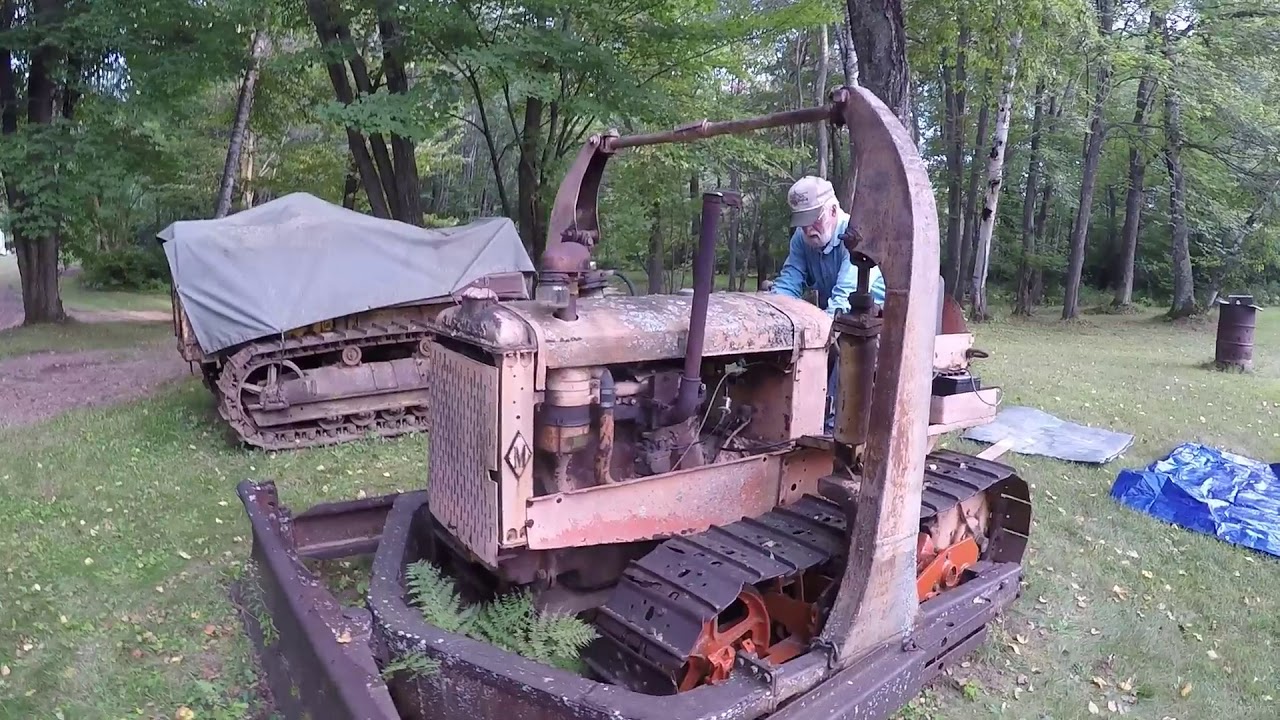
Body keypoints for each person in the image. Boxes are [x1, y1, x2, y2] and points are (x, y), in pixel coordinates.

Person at [770, 175, 886, 435]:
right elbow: (789, 282)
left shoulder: (856, 237)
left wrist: (814, 331)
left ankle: (833, 427)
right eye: (802, 223)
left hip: (874, 325)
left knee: (848, 348)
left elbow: (844, 298)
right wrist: (773, 313)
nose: (808, 229)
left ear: (833, 210)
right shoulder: (802, 241)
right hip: (832, 319)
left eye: (814, 220)